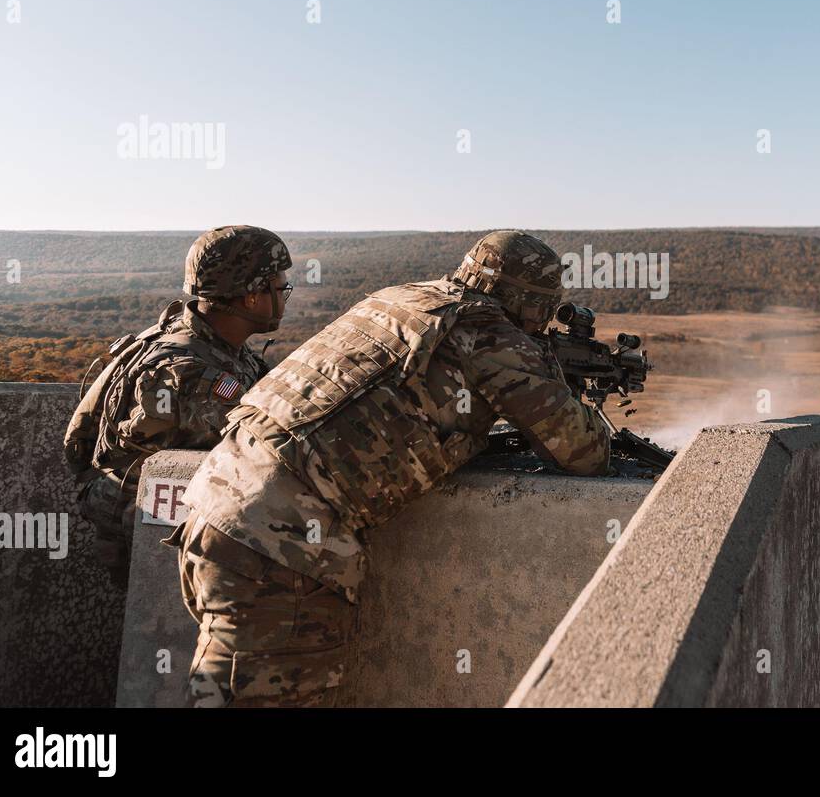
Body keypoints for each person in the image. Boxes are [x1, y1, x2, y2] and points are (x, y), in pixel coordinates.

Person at [172, 230, 610, 706]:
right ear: (531, 302)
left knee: (219, 693)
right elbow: (583, 453)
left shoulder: (402, 298)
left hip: (216, 505)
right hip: (280, 544)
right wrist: (555, 381)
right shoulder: (488, 331)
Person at [64, 225, 292, 587]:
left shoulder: (213, 342)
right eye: (282, 288)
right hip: (144, 529)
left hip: (164, 510)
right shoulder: (189, 375)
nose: (285, 297)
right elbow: (264, 448)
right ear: (251, 296)